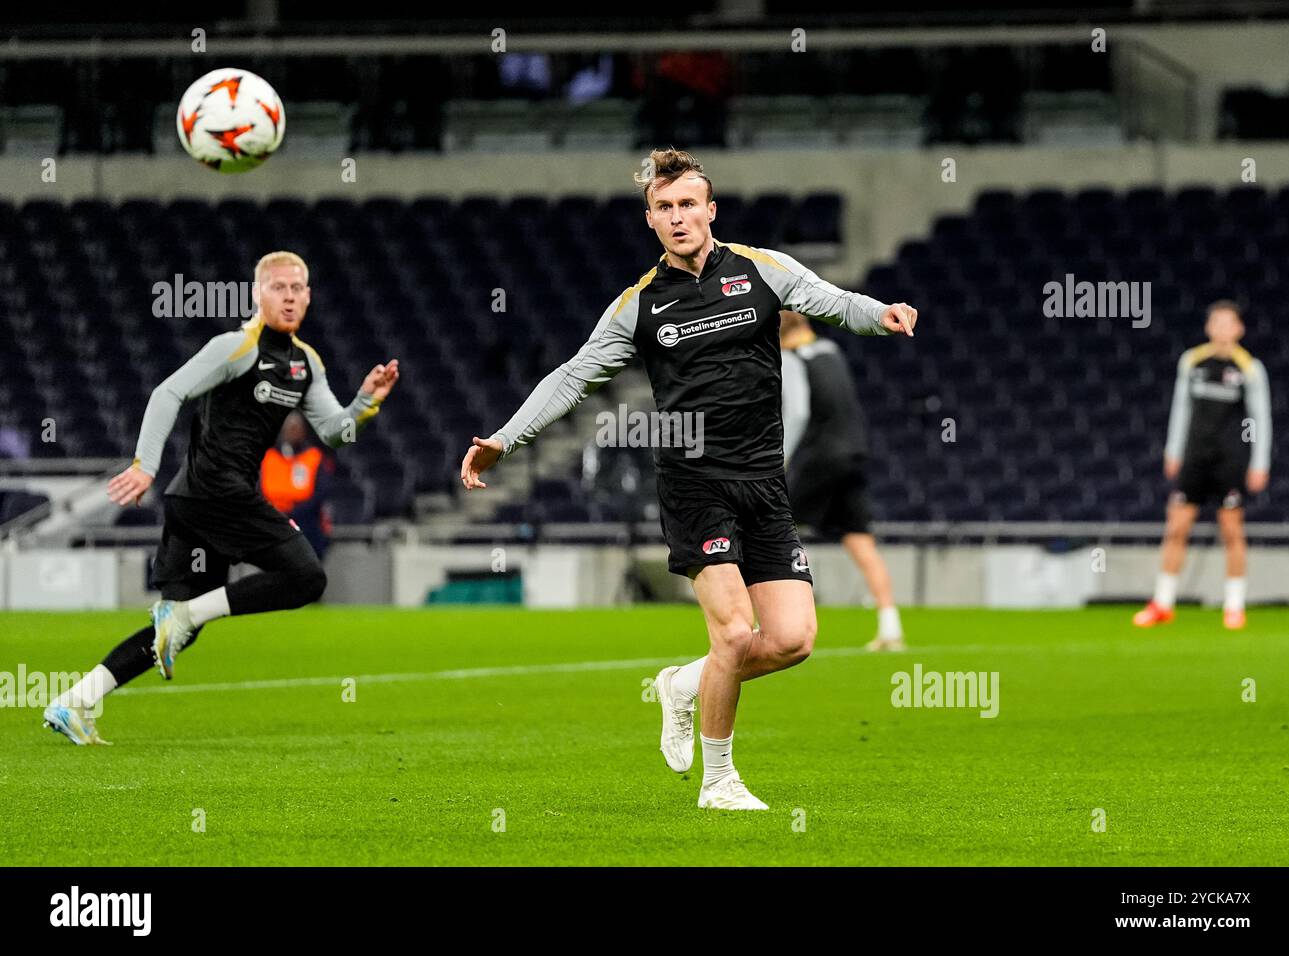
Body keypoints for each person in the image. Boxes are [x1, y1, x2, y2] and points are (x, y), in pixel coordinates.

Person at [460, 148, 917, 810]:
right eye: (663, 208)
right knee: (734, 634)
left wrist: (882, 313)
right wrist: (505, 438)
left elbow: (832, 301)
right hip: (694, 484)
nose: (677, 218)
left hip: (764, 481)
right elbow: (572, 375)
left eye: (686, 205)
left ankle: (682, 684)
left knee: (792, 640)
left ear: (710, 210)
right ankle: (719, 780)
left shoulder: (762, 270)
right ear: (651, 220)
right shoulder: (639, 306)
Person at [42, 251, 399, 745]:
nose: (290, 296)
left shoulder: (305, 363)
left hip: (201, 502)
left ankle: (76, 700)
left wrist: (365, 402)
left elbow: (333, 431)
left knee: (180, 631)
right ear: (258, 294)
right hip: (215, 492)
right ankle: (183, 614)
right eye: (279, 287)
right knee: (305, 577)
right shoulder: (236, 347)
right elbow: (167, 393)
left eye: (298, 287)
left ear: (309, 295)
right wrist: (145, 463)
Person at [1134, 300, 1271, 631]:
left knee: (1232, 532)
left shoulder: (1249, 368)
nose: (1223, 330)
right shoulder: (1192, 361)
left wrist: (1259, 462)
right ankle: (1163, 603)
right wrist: (1173, 450)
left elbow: (1260, 418)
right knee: (1177, 528)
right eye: (1217, 323)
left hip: (1229, 461)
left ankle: (1234, 606)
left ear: (1240, 329)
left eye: (1229, 324)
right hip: (1194, 459)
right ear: (1209, 328)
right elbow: (1181, 408)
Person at [780, 310, 905, 651]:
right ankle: (890, 627)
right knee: (860, 541)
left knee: (767, 525)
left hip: (822, 457)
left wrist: (782, 456)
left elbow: (798, 411)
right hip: (854, 454)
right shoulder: (831, 350)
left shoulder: (792, 357)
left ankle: (769, 620)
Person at [261, 411, 334, 559]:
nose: (292, 431)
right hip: (274, 524)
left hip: (306, 524)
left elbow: (320, 493)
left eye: (296, 427)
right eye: (289, 427)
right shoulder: (269, 457)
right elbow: (258, 491)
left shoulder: (313, 456)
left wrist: (293, 512)